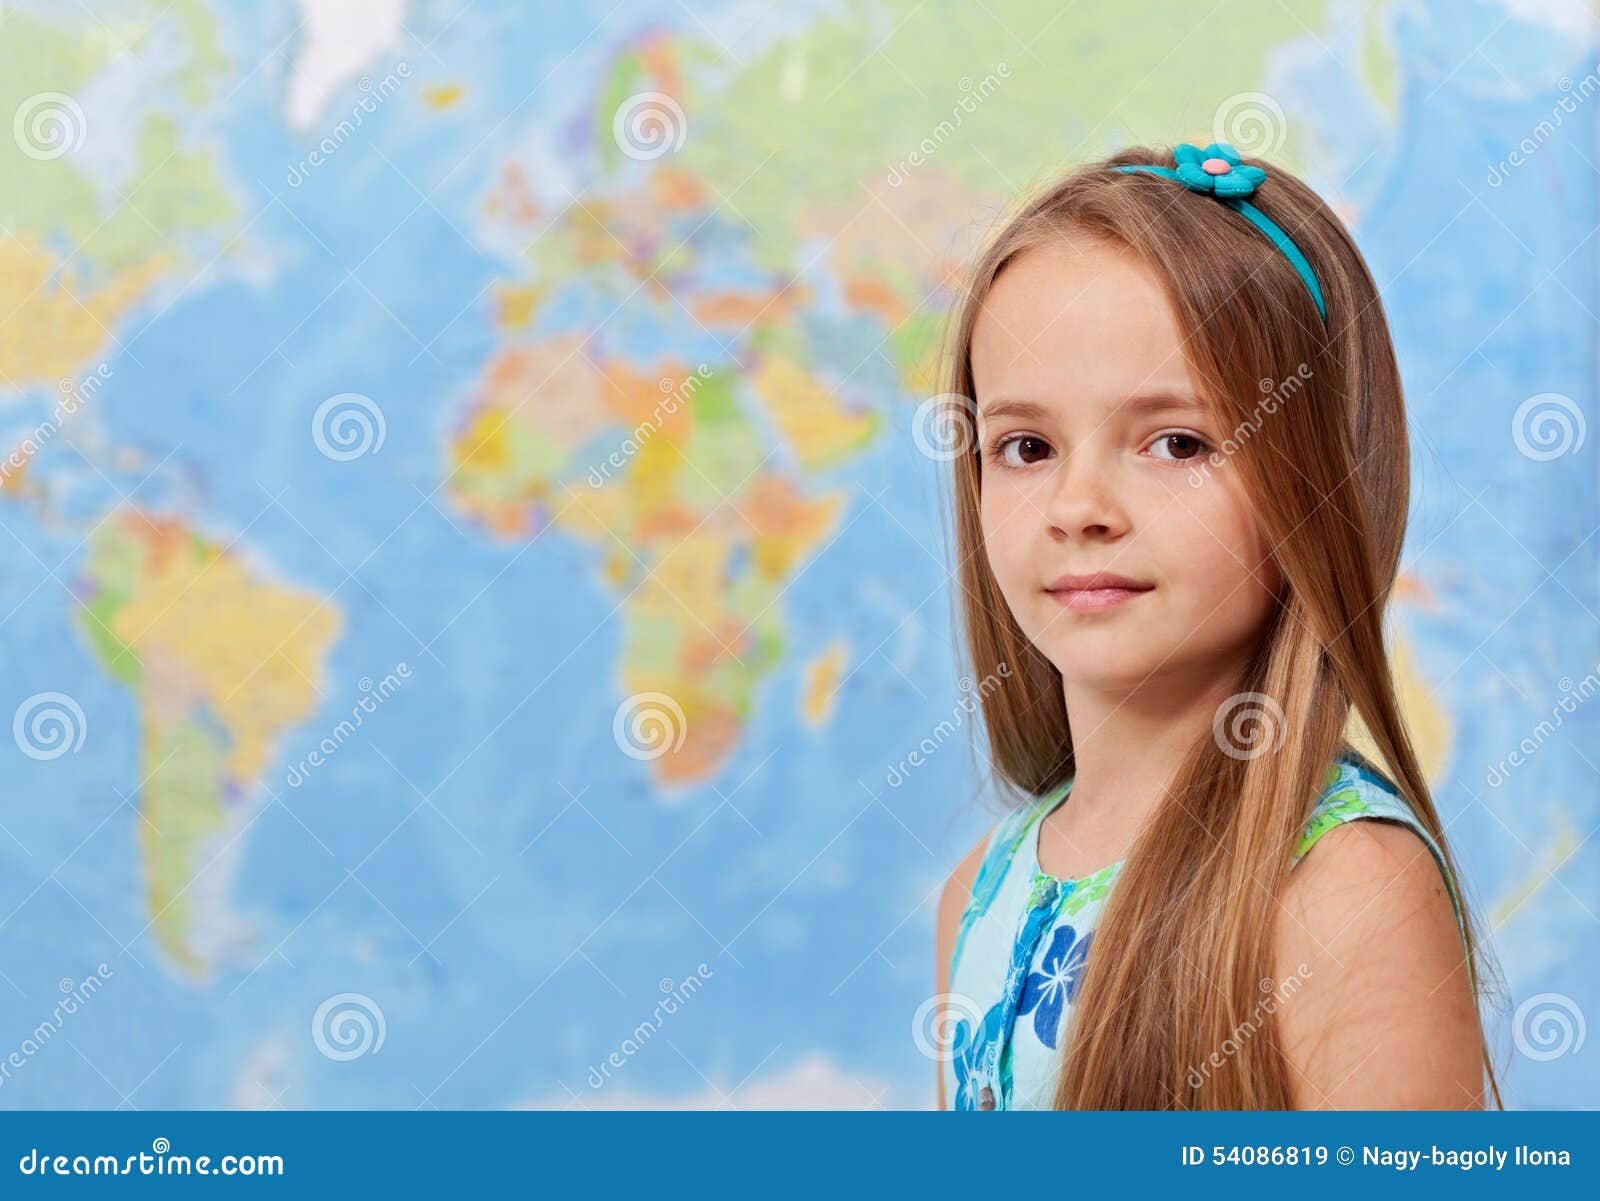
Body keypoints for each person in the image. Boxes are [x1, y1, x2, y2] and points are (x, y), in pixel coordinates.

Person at [931, 141, 1502, 1110]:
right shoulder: (975, 893)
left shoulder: (1343, 894)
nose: (1079, 507)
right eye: (1026, 446)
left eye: (1177, 441)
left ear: (1310, 482)